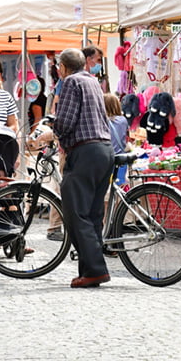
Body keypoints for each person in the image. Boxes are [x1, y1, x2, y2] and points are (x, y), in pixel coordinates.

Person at [53, 48, 114, 288]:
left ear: (63, 67)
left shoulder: (70, 82)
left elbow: (66, 120)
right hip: (104, 149)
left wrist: (54, 130)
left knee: (75, 212)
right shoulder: (92, 81)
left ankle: (95, 270)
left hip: (85, 151)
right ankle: (89, 270)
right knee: (93, 214)